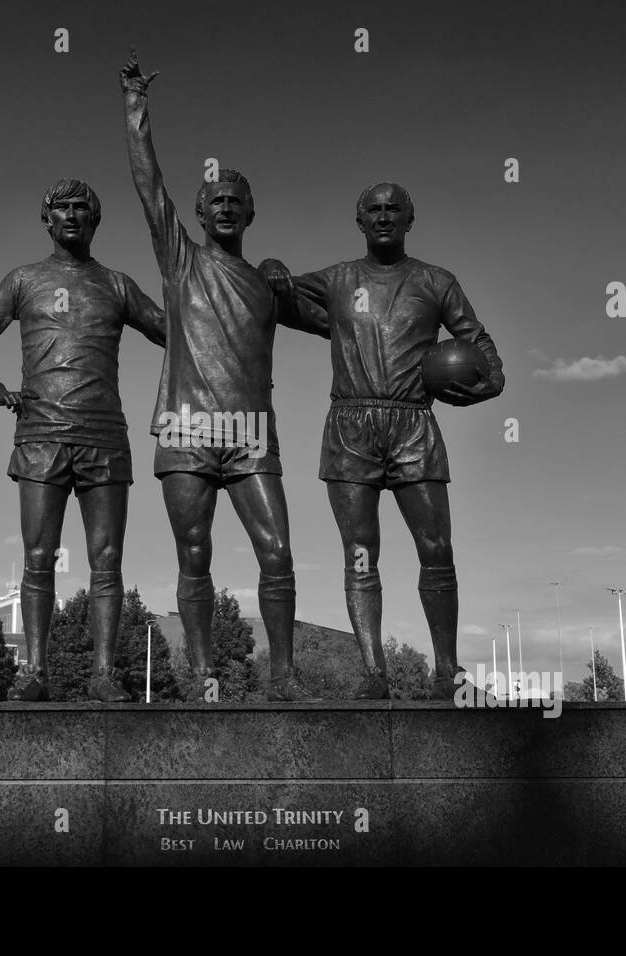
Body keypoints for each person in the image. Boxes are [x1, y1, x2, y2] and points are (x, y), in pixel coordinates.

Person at [118, 48, 328, 700]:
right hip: (185, 429)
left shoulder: (268, 283)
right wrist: (135, 108)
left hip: (250, 434)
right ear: (202, 216)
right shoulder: (181, 260)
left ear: (251, 212)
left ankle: (284, 675)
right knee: (195, 557)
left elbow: (336, 321)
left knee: (278, 555)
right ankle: (202, 674)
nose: (227, 208)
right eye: (215, 201)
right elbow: (150, 188)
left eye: (237, 201)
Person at [260, 183, 504, 698]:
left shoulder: (436, 281)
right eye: (374, 209)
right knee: (359, 552)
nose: (384, 216)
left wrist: (485, 383)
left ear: (411, 219)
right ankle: (374, 673)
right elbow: (277, 297)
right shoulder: (338, 279)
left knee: (437, 548)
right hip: (351, 426)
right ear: (360, 220)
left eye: (395, 209)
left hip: (413, 422)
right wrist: (272, 266)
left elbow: (479, 345)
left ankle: (447, 673)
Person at [0, 178, 167, 701]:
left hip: (103, 437)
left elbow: (173, 332)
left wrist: (204, 292)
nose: (73, 216)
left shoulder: (118, 285)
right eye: (63, 208)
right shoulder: (23, 280)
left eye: (83, 209)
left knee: (107, 559)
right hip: (41, 436)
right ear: (47, 218)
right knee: (38, 556)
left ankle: (102, 673)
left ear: (96, 221)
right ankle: (35, 672)